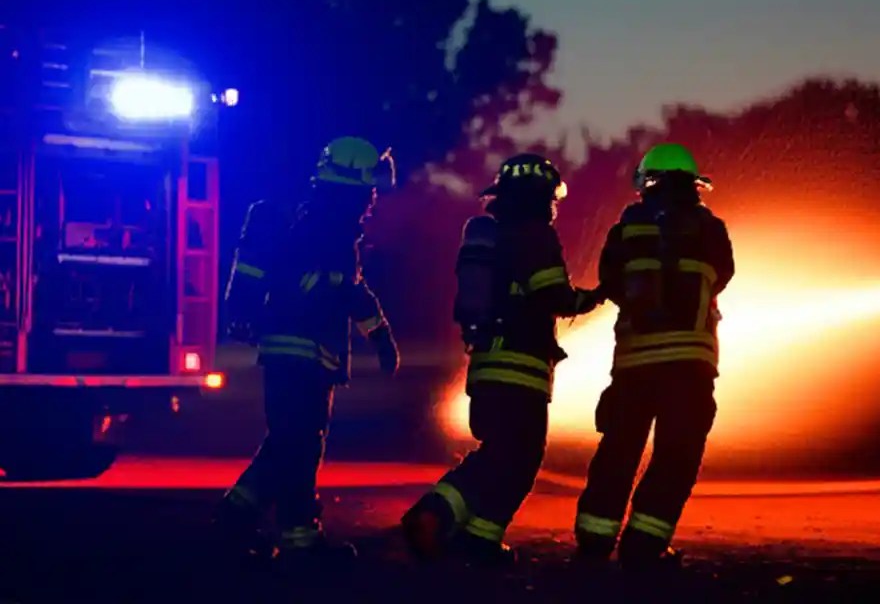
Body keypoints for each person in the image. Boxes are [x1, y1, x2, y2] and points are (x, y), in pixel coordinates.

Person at [401, 153, 602, 566]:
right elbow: (554, 296)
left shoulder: (491, 237)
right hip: (522, 370)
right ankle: (437, 515)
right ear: (542, 197)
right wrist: (596, 296)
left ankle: (476, 539)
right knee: (519, 458)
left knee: (498, 453)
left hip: (487, 367)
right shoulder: (535, 237)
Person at [213, 136, 401, 565]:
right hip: (306, 352)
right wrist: (381, 336)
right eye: (370, 188)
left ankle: (237, 512)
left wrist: (378, 334)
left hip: (294, 350)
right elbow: (345, 290)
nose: (373, 198)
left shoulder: (317, 219)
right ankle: (299, 540)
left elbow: (340, 288)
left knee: (288, 439)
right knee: (300, 444)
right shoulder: (328, 226)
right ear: (351, 182)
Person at [573, 143, 734, 570]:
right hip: (690, 366)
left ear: (647, 183)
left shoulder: (626, 227)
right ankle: (644, 547)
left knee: (619, 451)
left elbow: (609, 280)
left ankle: (593, 542)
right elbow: (723, 277)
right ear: (694, 185)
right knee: (676, 455)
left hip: (634, 366)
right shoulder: (711, 228)